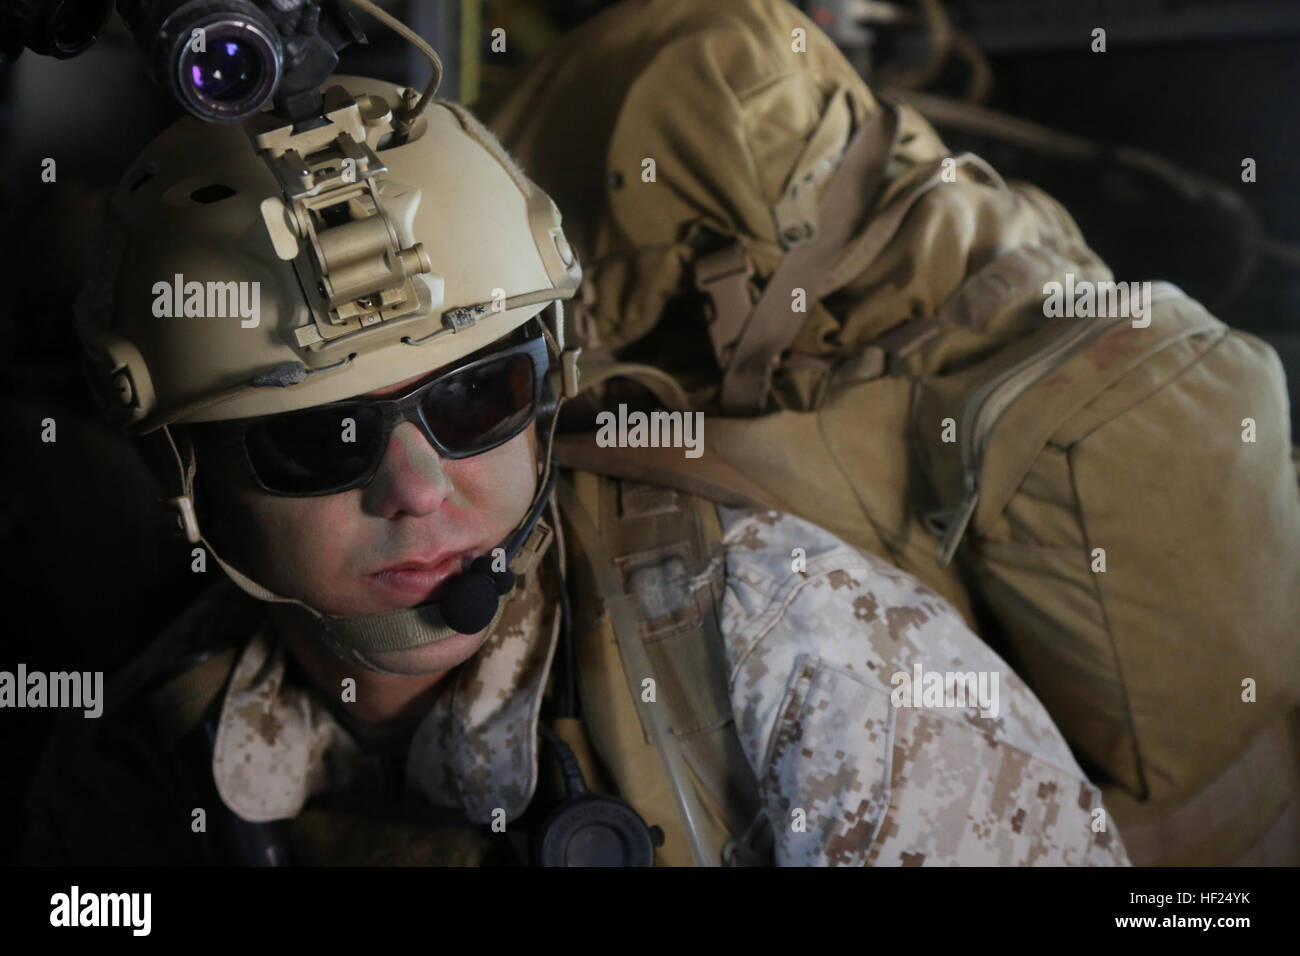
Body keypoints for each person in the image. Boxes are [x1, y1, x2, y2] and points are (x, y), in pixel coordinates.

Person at [18, 68, 1127, 867]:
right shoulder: (139, 751)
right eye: (318, 438)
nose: (417, 489)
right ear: (187, 477)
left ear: (549, 388)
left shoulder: (801, 658)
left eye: (474, 396)